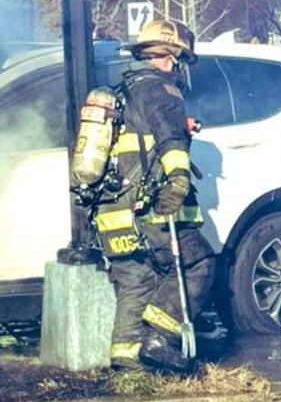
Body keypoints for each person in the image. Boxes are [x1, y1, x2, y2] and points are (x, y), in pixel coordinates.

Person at [90, 19, 214, 373]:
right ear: (170, 58)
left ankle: (127, 363)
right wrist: (177, 181)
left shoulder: (122, 91)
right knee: (199, 263)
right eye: (181, 61)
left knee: (135, 279)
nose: (180, 69)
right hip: (150, 207)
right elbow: (169, 142)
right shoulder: (163, 91)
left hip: (114, 209)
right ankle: (157, 340)